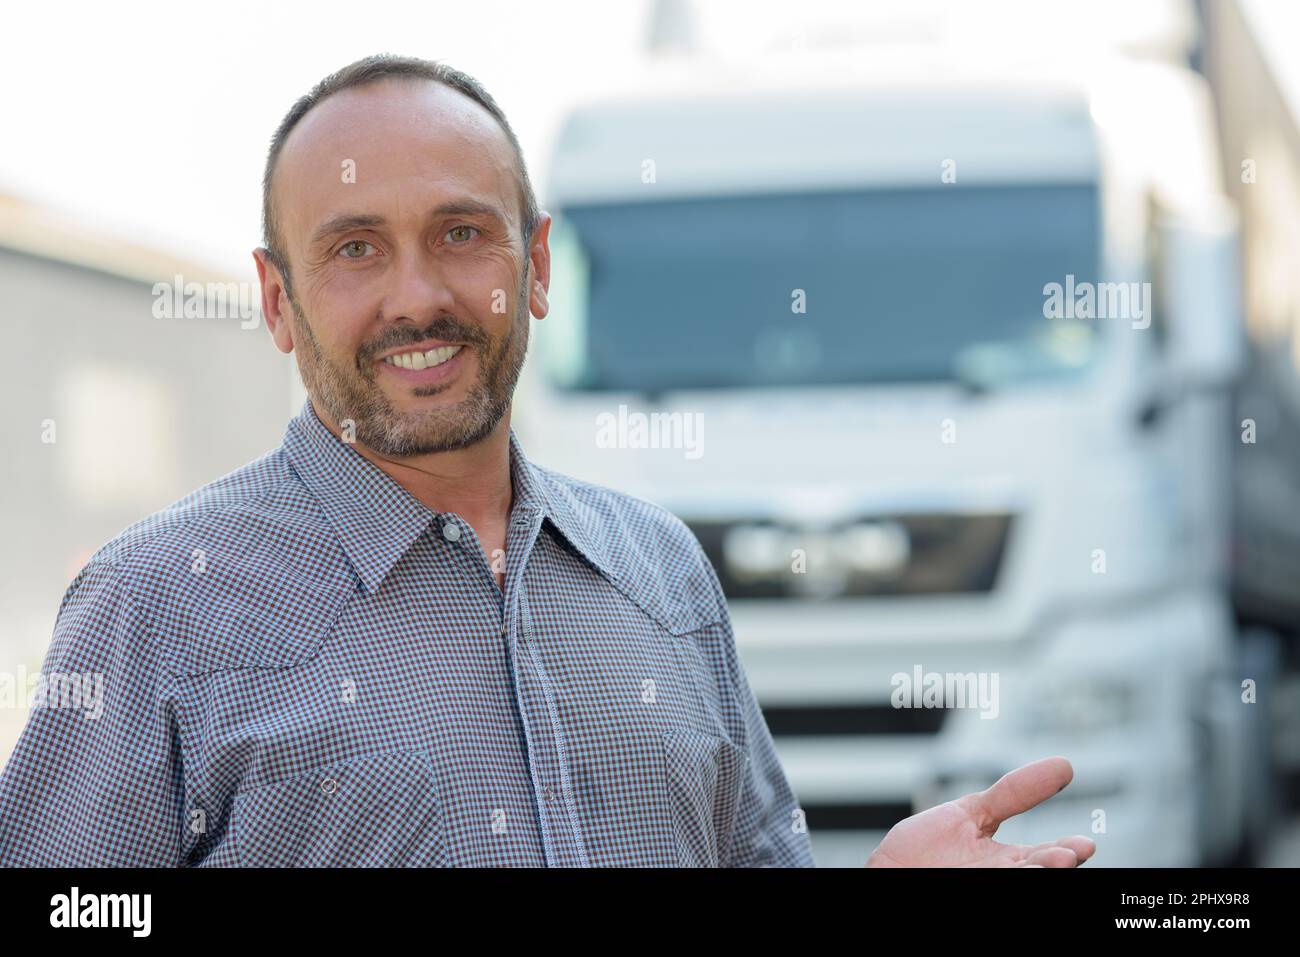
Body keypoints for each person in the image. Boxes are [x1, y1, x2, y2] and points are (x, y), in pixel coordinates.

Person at [0, 54, 1095, 868]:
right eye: (354, 249)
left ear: (535, 266)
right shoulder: (155, 605)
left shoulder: (661, 573)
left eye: (462, 233)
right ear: (278, 301)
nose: (416, 295)